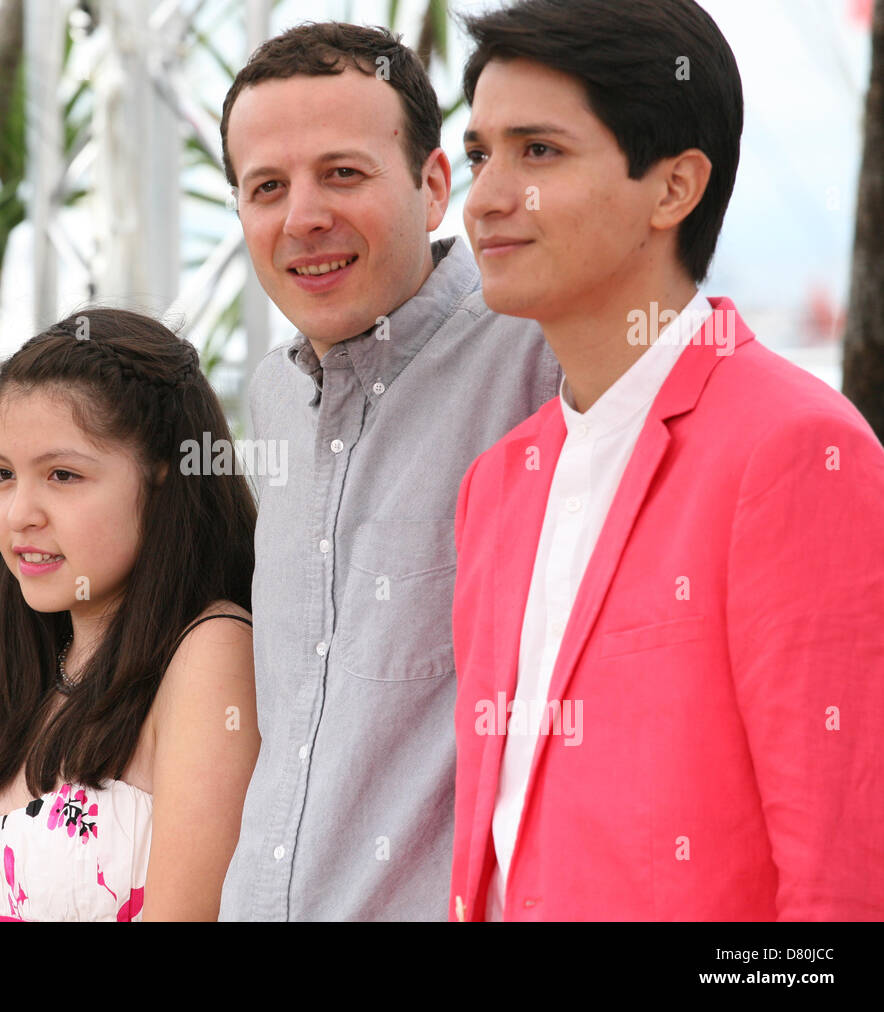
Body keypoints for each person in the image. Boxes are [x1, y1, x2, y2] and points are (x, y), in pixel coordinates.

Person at [449, 0, 884, 921]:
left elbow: (845, 880)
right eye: (481, 151)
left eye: (538, 151)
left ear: (675, 187)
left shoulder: (799, 451)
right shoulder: (496, 485)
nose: (483, 197)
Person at [216, 22, 557, 921]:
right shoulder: (269, 399)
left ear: (436, 184)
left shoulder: (541, 359)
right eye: (266, 188)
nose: (303, 218)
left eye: (344, 172)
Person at [0, 308, 258, 921]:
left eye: (63, 475)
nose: (19, 513)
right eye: (3, 475)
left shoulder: (209, 651)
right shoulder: (38, 660)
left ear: (163, 479)